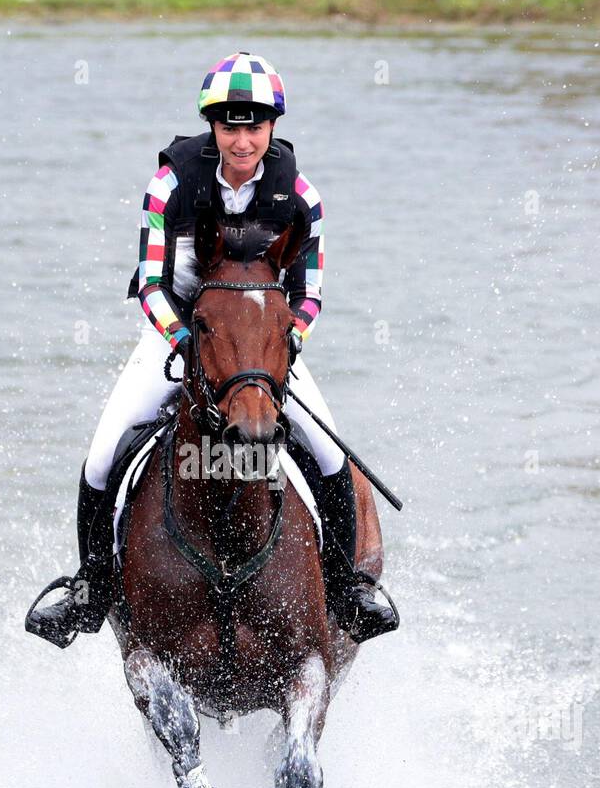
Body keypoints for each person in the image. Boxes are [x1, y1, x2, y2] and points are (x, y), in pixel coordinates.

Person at [26, 51, 397, 646]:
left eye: (254, 125)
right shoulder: (171, 182)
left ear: (272, 126)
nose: (242, 140)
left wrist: (282, 349)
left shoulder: (302, 198)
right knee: (103, 455)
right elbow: (150, 283)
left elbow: (309, 295)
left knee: (330, 457)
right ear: (213, 126)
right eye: (230, 125)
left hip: (260, 348)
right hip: (175, 333)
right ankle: (91, 587)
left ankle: (345, 587)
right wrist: (188, 345)